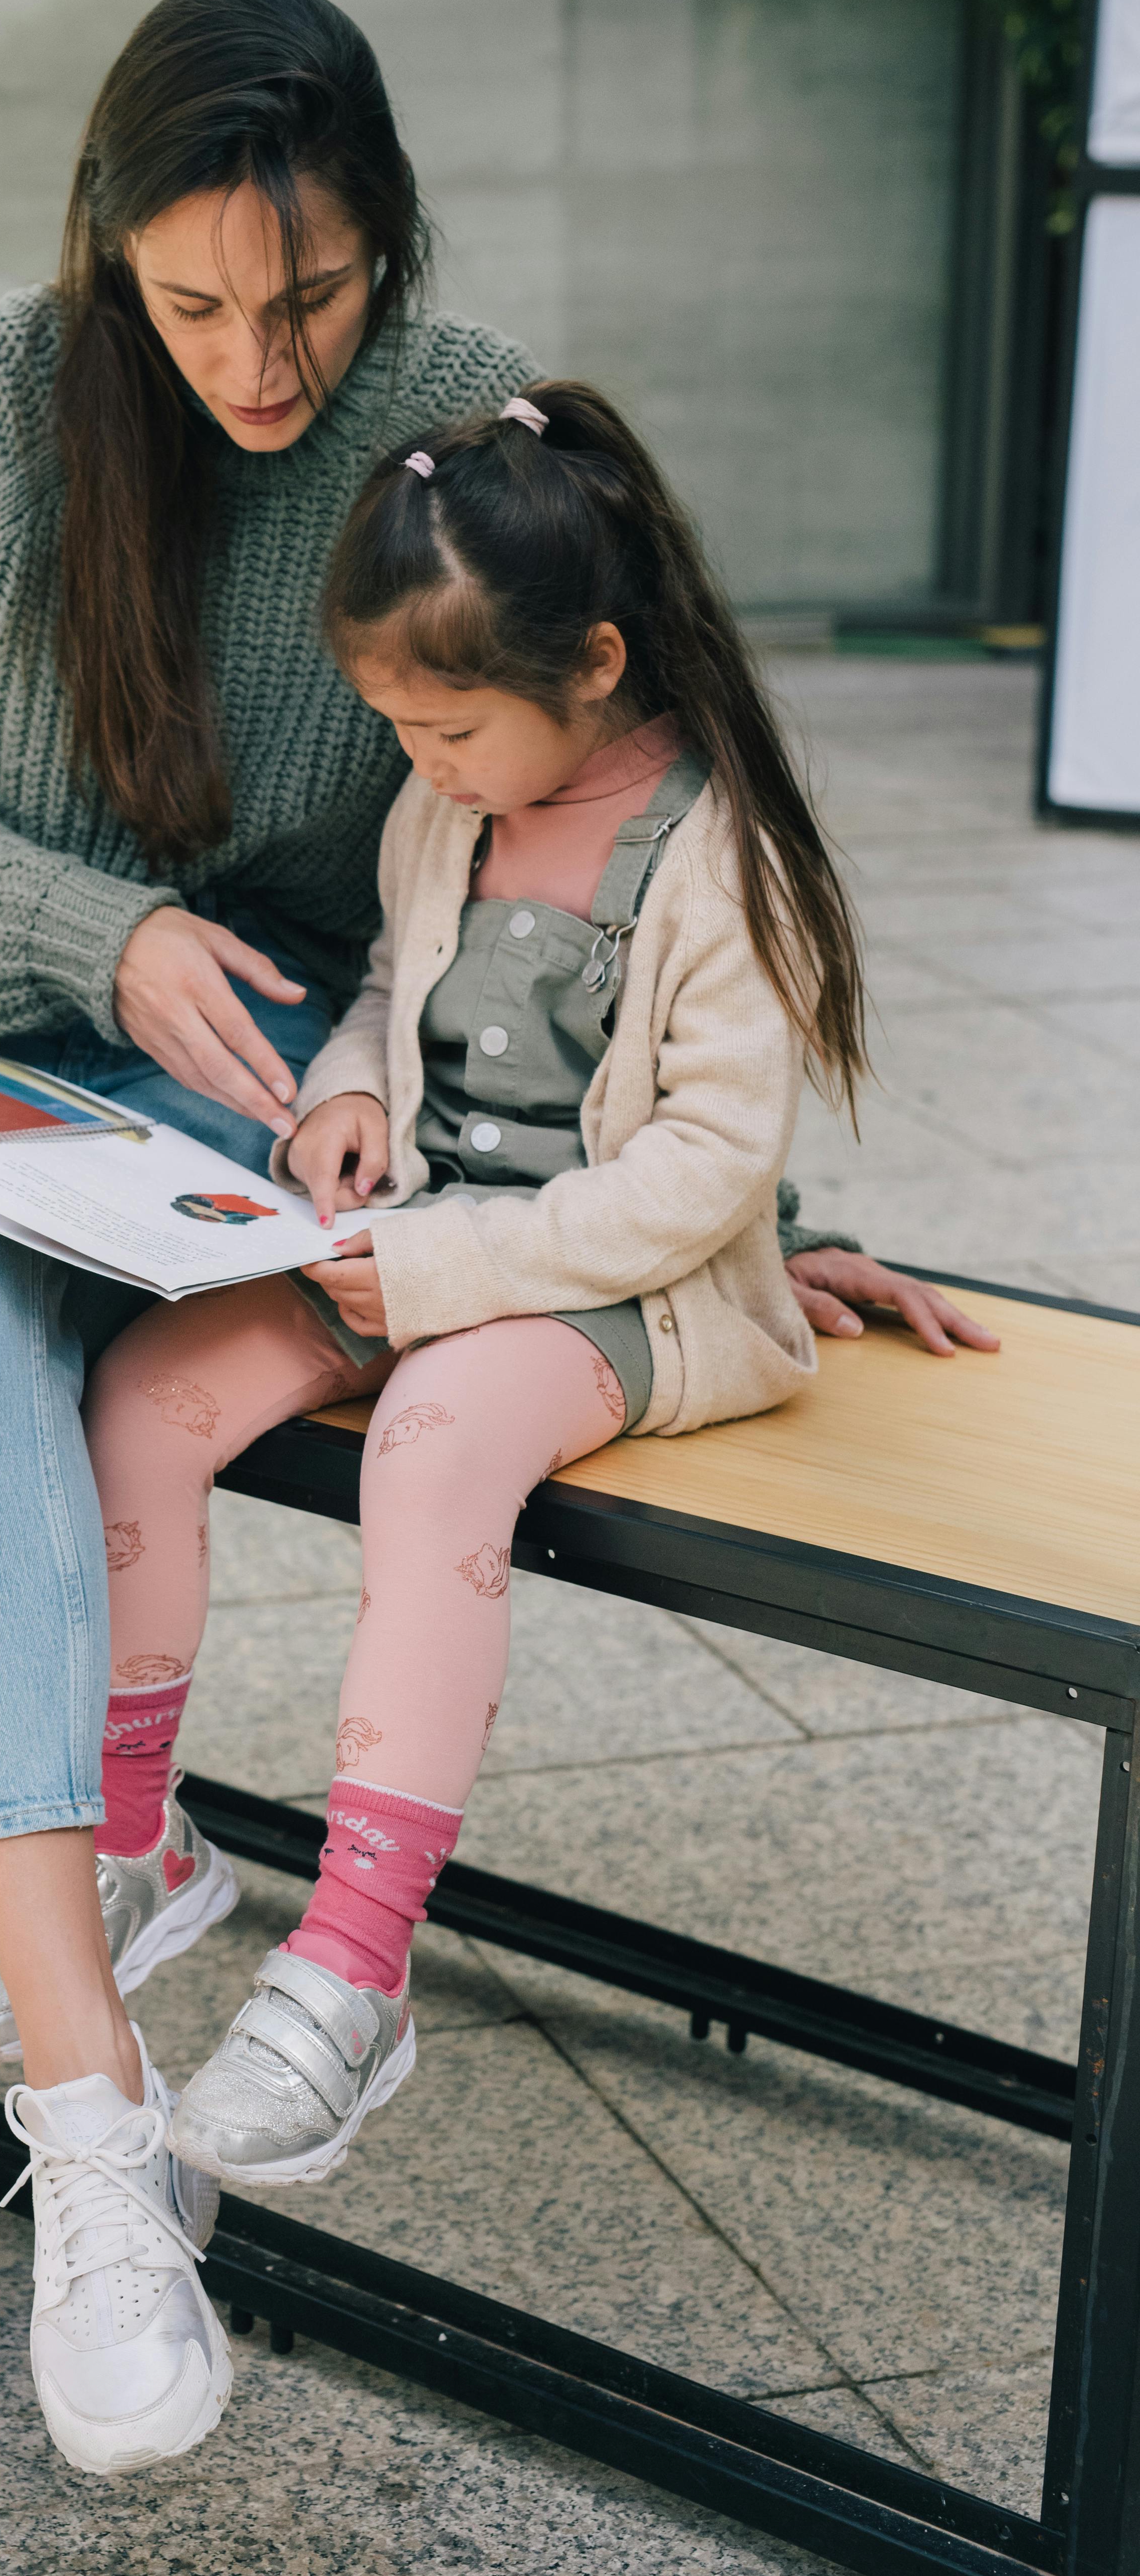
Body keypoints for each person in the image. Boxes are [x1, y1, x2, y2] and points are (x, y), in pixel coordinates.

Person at [0, 0, 987, 2477]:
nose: (259, 361)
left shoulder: (461, 417)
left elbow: (607, 814)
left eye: (313, 291)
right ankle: (71, 2117)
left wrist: (712, 1223)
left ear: (389, 233)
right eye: (190, 304)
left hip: (283, 1121)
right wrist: (96, 937)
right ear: (103, 256)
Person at [71, 381, 1000, 2198]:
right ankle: (137, 1842)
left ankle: (354, 1963)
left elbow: (699, 1181)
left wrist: (435, 1267)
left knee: (429, 1452)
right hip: (418, 1232)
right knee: (141, 1397)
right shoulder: (453, 813)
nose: (417, 760)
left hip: (611, 1294)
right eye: (396, 725)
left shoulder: (722, 860)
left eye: (447, 725)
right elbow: (384, 988)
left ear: (592, 662)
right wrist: (348, 1092)